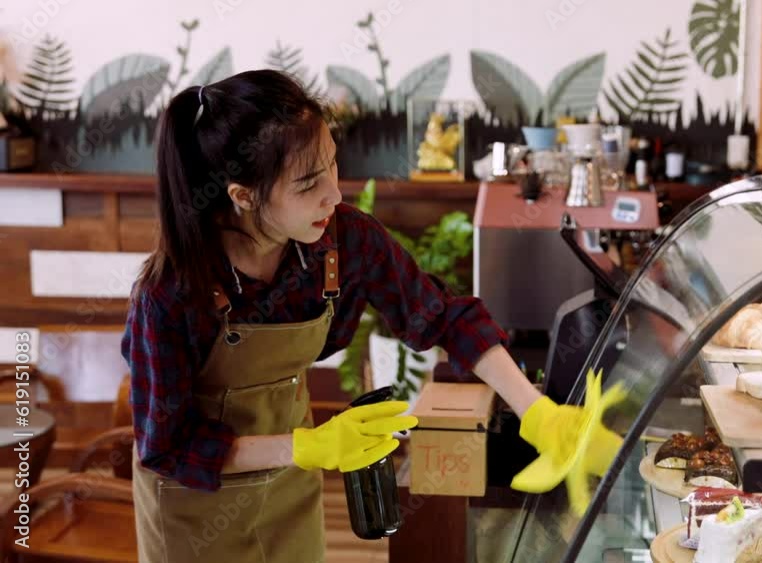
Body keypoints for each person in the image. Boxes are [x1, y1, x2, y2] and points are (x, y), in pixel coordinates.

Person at [121, 69, 621, 563]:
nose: (334, 195)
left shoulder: (342, 241)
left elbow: (443, 316)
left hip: (287, 493)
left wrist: (535, 410)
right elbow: (167, 446)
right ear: (242, 195)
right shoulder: (169, 296)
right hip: (195, 510)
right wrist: (307, 446)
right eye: (307, 183)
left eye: (333, 166)